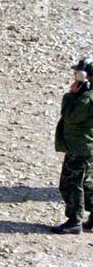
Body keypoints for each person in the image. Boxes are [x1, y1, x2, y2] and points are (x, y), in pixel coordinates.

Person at [52, 59, 93, 234]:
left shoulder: (87, 98)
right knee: (85, 184)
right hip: (84, 147)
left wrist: (70, 95)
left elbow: (70, 115)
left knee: (71, 184)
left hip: (80, 148)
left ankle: (74, 220)